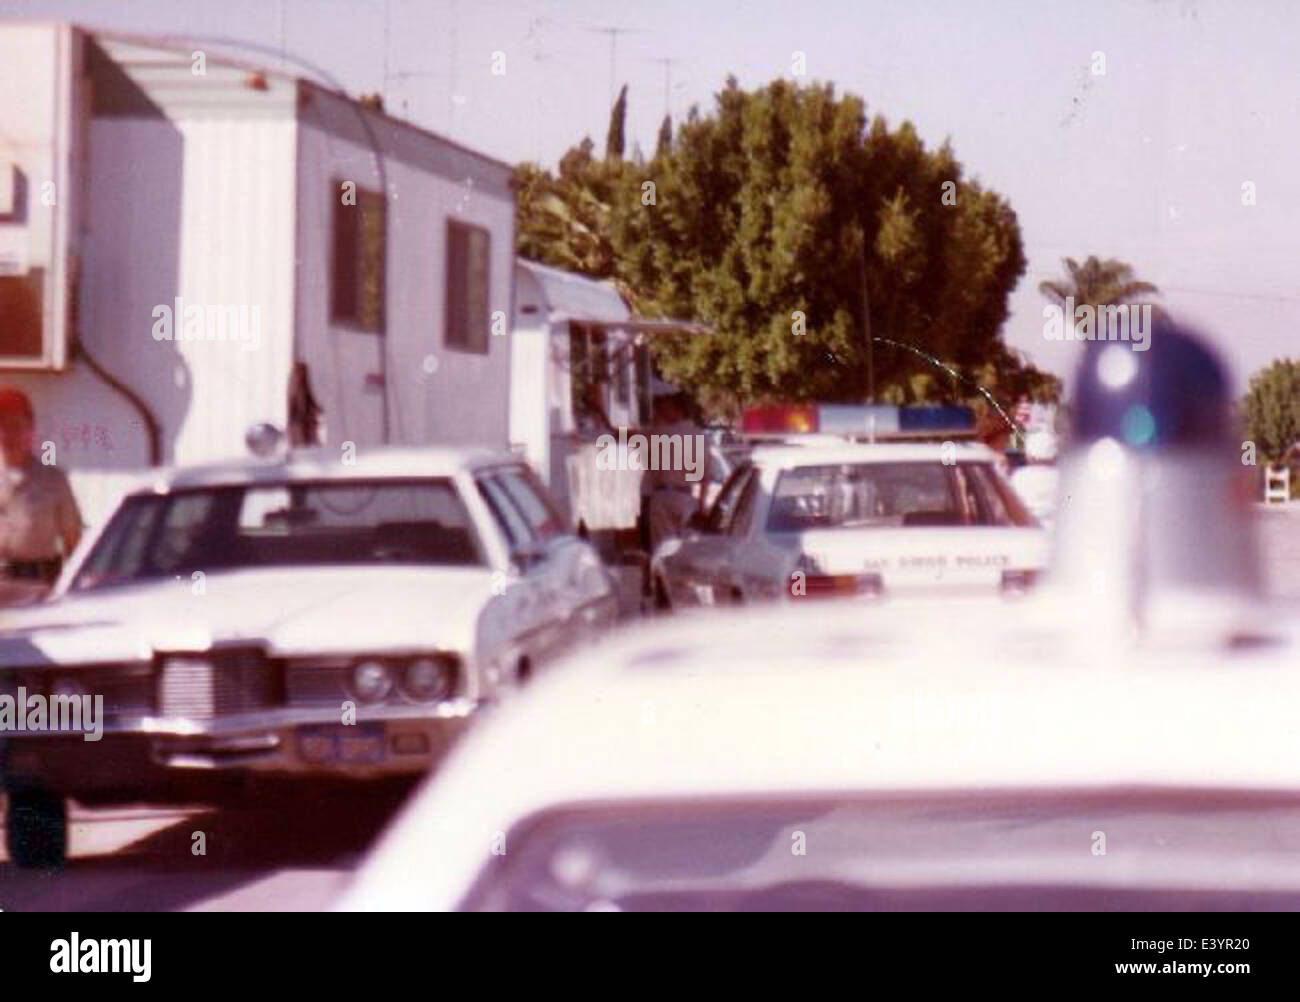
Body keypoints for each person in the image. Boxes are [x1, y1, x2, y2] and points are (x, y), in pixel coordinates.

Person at [0, 388, 83, 586]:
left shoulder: (53, 480)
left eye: (15, 426)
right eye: (1, 426)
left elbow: (74, 542)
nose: (7, 435)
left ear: (30, 429)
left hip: (39, 584)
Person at [642, 394, 700, 552]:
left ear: (677, 410)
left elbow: (625, 435)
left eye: (664, 409)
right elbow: (701, 475)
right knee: (686, 549)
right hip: (686, 496)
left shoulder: (660, 433)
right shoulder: (697, 434)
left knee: (663, 549)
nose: (661, 413)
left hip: (663, 496)